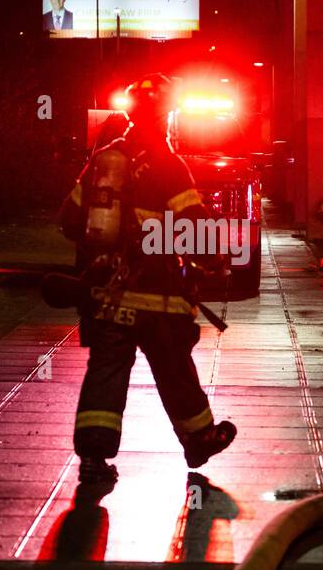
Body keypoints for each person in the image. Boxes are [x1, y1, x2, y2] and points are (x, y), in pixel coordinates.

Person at [58, 74, 237, 484]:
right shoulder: (168, 164)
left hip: (107, 296)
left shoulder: (104, 161)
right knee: (174, 370)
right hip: (158, 300)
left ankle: (93, 460)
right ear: (166, 116)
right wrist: (214, 259)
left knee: (106, 371)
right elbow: (192, 224)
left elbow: (69, 220)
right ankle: (199, 440)